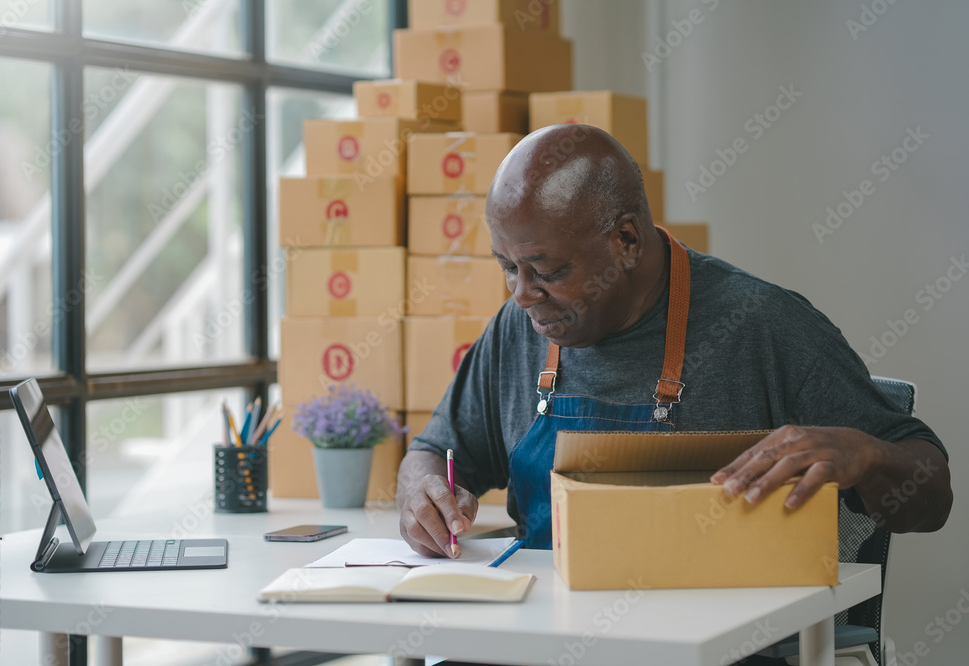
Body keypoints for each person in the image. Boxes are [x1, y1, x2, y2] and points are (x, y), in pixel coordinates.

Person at [397, 124, 952, 559]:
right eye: (507, 266)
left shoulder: (763, 325)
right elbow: (435, 452)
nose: (522, 294)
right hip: (549, 633)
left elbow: (933, 498)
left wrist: (868, 456)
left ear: (626, 240)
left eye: (548, 270)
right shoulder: (519, 330)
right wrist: (424, 491)